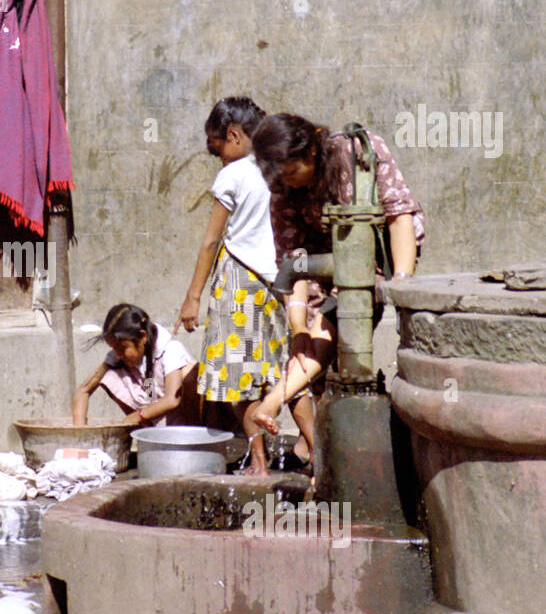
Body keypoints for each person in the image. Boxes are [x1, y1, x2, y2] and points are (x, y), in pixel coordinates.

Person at [247, 113, 425, 452]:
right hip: (321, 266)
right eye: (280, 180)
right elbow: (293, 261)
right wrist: (298, 326)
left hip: (376, 253)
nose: (289, 184)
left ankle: (275, 403)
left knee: (338, 321)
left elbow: (399, 215)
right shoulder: (284, 191)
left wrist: (402, 286)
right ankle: (325, 459)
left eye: (292, 174)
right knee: (311, 354)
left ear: (311, 150)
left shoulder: (359, 154)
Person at [175, 97, 302, 474]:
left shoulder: (233, 174)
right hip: (279, 284)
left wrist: (192, 298)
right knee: (287, 373)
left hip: (240, 283)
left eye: (218, 149)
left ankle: (259, 462)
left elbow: (211, 242)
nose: (220, 158)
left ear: (233, 135)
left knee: (238, 379)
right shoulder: (279, 169)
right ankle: (314, 449)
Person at [73, 303, 200, 428]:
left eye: (122, 348)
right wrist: (80, 436)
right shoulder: (120, 355)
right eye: (114, 349)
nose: (117, 355)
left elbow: (172, 399)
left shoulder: (170, 349)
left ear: (143, 336)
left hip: (186, 421)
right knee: (108, 375)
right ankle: (146, 429)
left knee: (187, 373)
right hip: (154, 410)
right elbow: (83, 390)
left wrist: (136, 416)